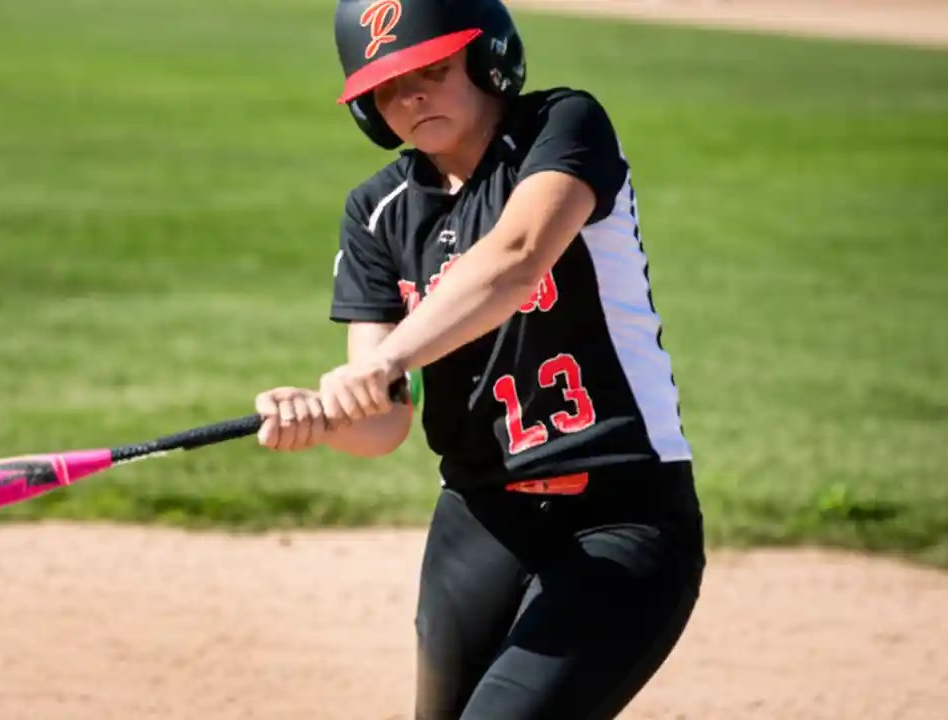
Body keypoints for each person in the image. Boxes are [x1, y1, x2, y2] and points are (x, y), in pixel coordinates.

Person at [254, 1, 705, 717]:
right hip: (479, 520)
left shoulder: (562, 127)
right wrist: (320, 416)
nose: (412, 96)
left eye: (431, 68)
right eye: (387, 86)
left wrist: (379, 365)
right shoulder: (379, 210)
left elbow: (515, 261)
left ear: (488, 57)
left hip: (622, 511)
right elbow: (384, 422)